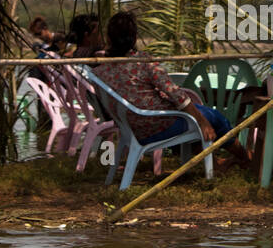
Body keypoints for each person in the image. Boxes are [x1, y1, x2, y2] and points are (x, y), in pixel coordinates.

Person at [95, 11, 250, 166]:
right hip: (159, 126)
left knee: (196, 114)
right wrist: (202, 122)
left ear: (108, 38)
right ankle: (246, 157)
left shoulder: (101, 71)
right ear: (134, 37)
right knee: (213, 117)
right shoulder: (143, 63)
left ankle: (216, 163)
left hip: (131, 129)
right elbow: (176, 94)